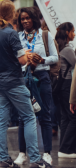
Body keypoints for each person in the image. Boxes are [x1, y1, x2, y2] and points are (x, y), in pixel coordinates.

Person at [0, 1, 52, 167]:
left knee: (2, 120)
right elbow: (22, 60)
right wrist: (25, 53)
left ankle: (4, 159)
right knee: (29, 117)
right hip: (14, 82)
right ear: (13, 14)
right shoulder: (11, 33)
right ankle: (35, 160)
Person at [14, 7, 59, 165]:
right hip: (24, 78)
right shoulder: (18, 37)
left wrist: (41, 60)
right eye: (22, 19)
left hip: (42, 77)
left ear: (33, 18)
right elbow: (13, 59)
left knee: (45, 116)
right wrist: (24, 58)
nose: (25, 21)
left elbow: (55, 57)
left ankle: (47, 153)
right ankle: (22, 153)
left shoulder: (45, 35)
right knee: (23, 117)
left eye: (27, 18)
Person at [55, 22, 76, 158]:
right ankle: (66, 149)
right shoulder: (67, 50)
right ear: (67, 32)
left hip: (60, 86)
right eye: (73, 31)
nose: (74, 34)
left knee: (65, 117)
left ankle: (64, 147)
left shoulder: (59, 47)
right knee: (73, 117)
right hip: (68, 84)